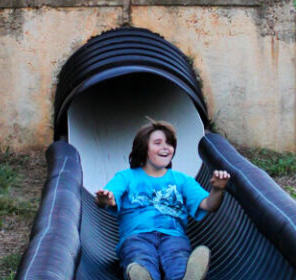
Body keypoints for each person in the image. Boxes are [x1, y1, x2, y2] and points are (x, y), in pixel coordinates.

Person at [95, 120, 231, 280]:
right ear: (144, 148)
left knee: (178, 259)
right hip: (137, 235)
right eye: (158, 143)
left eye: (169, 143)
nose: (165, 147)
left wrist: (218, 189)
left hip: (173, 236)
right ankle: (142, 276)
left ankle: (186, 277)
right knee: (140, 258)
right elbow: (106, 200)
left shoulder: (182, 180)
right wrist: (105, 199)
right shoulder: (126, 177)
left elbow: (209, 204)